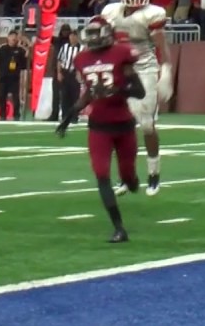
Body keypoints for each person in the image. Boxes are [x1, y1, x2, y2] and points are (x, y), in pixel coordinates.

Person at [54, 16, 146, 243]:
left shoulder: (120, 53)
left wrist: (117, 91)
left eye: (97, 33)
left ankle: (132, 180)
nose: (93, 38)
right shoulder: (82, 58)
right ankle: (119, 228)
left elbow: (139, 91)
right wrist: (70, 114)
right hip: (99, 127)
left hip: (123, 125)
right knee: (102, 175)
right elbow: (89, 92)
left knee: (128, 177)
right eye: (91, 34)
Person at [101, 0, 174, 196]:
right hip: (120, 71)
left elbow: (162, 44)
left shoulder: (152, 14)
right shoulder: (111, 12)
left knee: (146, 125)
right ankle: (126, 175)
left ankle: (154, 174)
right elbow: (104, 42)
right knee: (118, 126)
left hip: (145, 70)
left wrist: (167, 71)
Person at [0, 30, 27, 120]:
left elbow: (28, 55)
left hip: (15, 77)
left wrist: (25, 43)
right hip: (3, 76)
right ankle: (2, 115)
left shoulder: (20, 50)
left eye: (15, 37)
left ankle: (16, 115)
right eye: (11, 36)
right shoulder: (2, 48)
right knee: (2, 96)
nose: (13, 38)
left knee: (16, 97)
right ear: (8, 38)